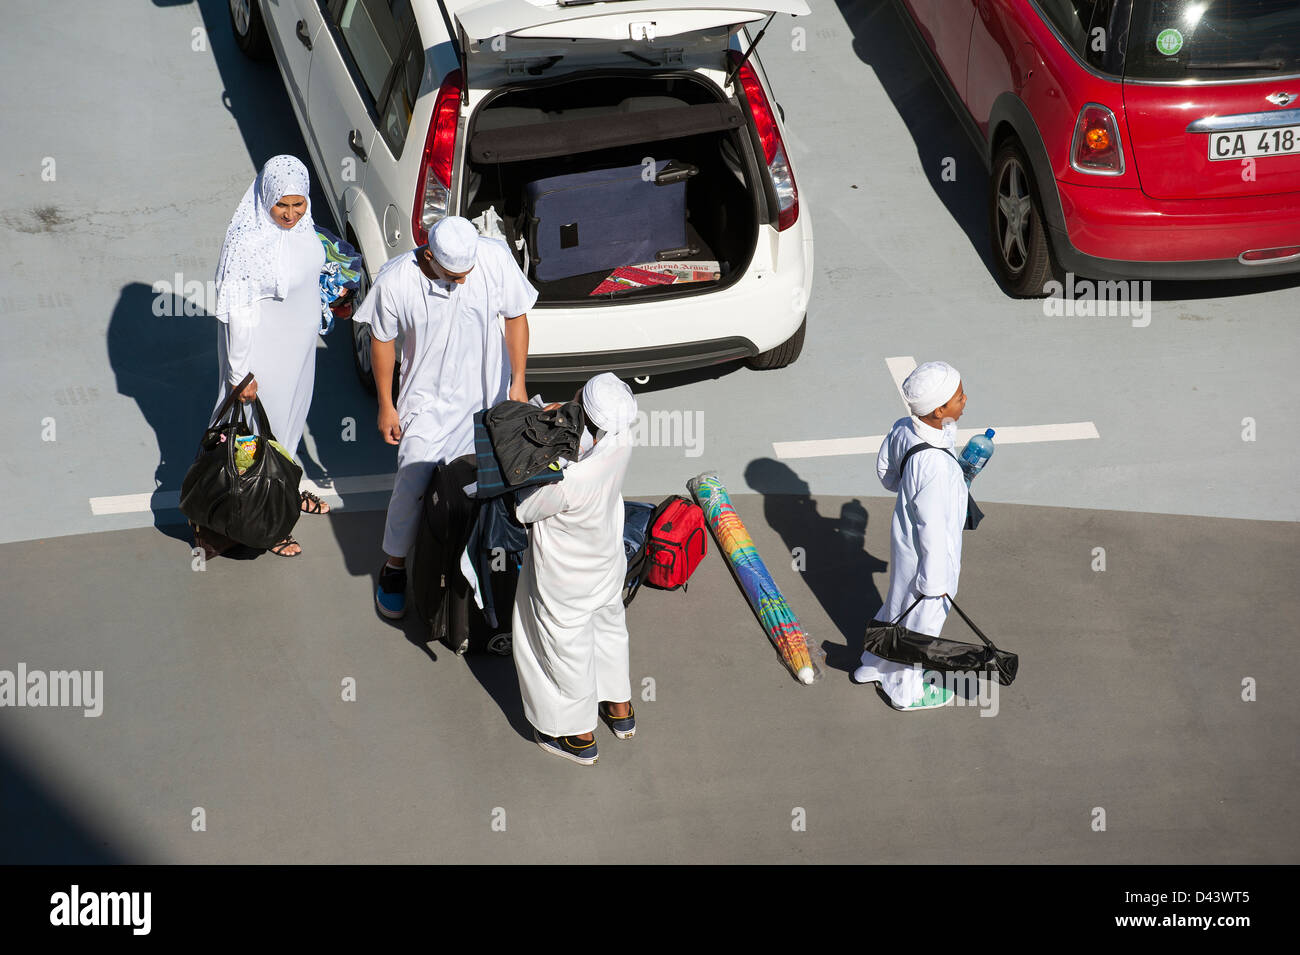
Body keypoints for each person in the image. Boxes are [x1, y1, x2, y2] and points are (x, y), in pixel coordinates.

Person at [356, 216, 537, 618]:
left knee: (496, 484)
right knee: (412, 480)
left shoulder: (493, 259)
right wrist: (386, 404)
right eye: (455, 274)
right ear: (430, 257)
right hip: (426, 404)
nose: (465, 279)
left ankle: (492, 565)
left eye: (468, 271)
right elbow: (382, 342)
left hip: (486, 396)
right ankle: (395, 566)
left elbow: (516, 316)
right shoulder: (396, 280)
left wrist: (519, 381)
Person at [511, 374, 638, 766]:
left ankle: (577, 736)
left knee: (564, 651)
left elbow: (524, 508)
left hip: (564, 581)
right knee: (609, 631)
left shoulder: (568, 480)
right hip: (606, 562)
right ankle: (620, 711)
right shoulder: (623, 438)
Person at [209, 154, 332, 558]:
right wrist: (240, 374)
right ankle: (267, 521)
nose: (291, 213)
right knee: (260, 438)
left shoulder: (302, 227)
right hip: (265, 361)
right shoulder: (249, 243)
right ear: (266, 198)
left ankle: (285, 490)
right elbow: (238, 315)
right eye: (282, 205)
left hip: (297, 354)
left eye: (299, 204)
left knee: (289, 427)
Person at [854, 360, 969, 710]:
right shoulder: (933, 464)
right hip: (929, 557)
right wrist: (936, 583)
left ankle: (874, 663)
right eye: (959, 396)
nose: (966, 399)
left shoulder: (905, 428)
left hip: (904, 541)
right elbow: (933, 527)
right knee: (923, 620)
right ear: (940, 409)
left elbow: (887, 474)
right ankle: (906, 690)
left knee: (897, 604)